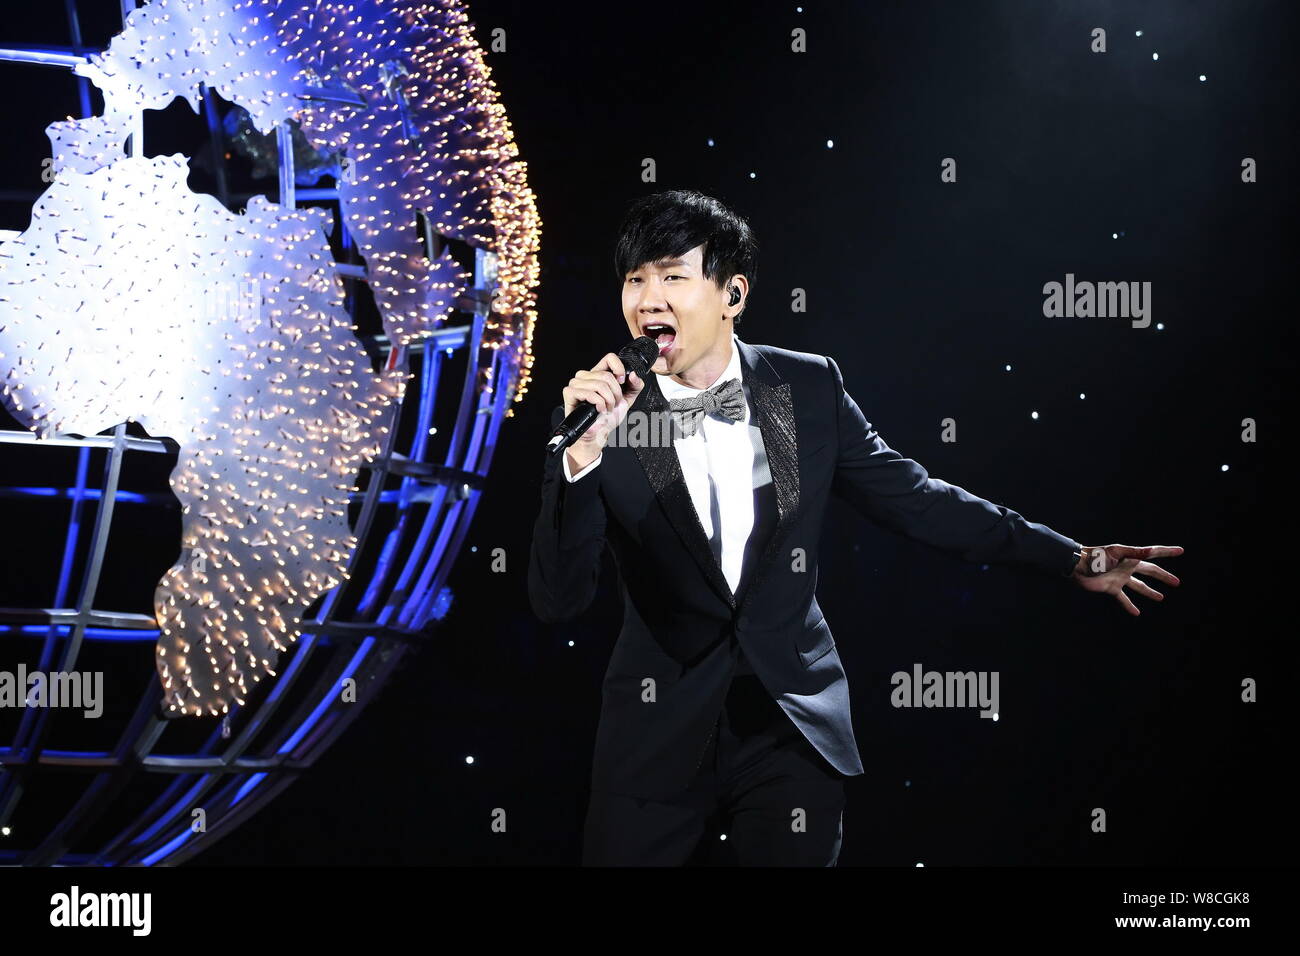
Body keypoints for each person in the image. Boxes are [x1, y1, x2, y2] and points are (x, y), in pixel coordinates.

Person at [527, 189, 1182, 866]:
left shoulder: (807, 389)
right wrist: (582, 453)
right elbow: (558, 599)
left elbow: (919, 500)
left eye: (671, 275)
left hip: (790, 728)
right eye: (634, 279)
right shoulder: (600, 420)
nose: (648, 298)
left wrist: (1071, 557)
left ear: (733, 293)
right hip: (655, 741)